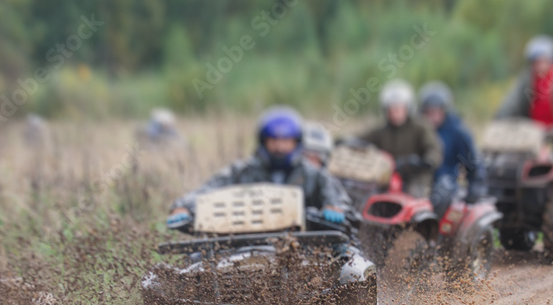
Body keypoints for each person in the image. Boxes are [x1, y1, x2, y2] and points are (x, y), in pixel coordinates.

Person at [166, 106, 351, 228]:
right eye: (274, 141)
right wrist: (184, 207)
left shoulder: (314, 174)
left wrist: (334, 208)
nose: (280, 147)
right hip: (245, 244)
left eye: (286, 141)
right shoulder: (242, 171)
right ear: (263, 142)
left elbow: (339, 199)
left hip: (306, 245)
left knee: (348, 263)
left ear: (297, 143)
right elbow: (208, 190)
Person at [418, 81, 488, 218]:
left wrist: (476, 186)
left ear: (444, 110)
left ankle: (433, 229)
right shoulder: (417, 130)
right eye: (428, 112)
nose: (432, 117)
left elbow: (473, 161)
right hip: (420, 177)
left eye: (436, 112)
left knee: (441, 192)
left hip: (446, 180)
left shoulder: (457, 131)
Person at [361, 80, 442, 197]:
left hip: (417, 176)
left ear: (407, 107)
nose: (394, 113)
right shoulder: (381, 130)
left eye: (398, 108)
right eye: (391, 109)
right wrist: (344, 141)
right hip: (387, 176)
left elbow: (434, 148)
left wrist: (425, 161)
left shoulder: (421, 126)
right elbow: (362, 139)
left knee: (415, 198)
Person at [494, 35, 553, 138]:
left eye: (543, 61)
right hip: (533, 132)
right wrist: (500, 118)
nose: (539, 66)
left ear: (552, 61)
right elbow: (512, 101)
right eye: (536, 62)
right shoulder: (527, 78)